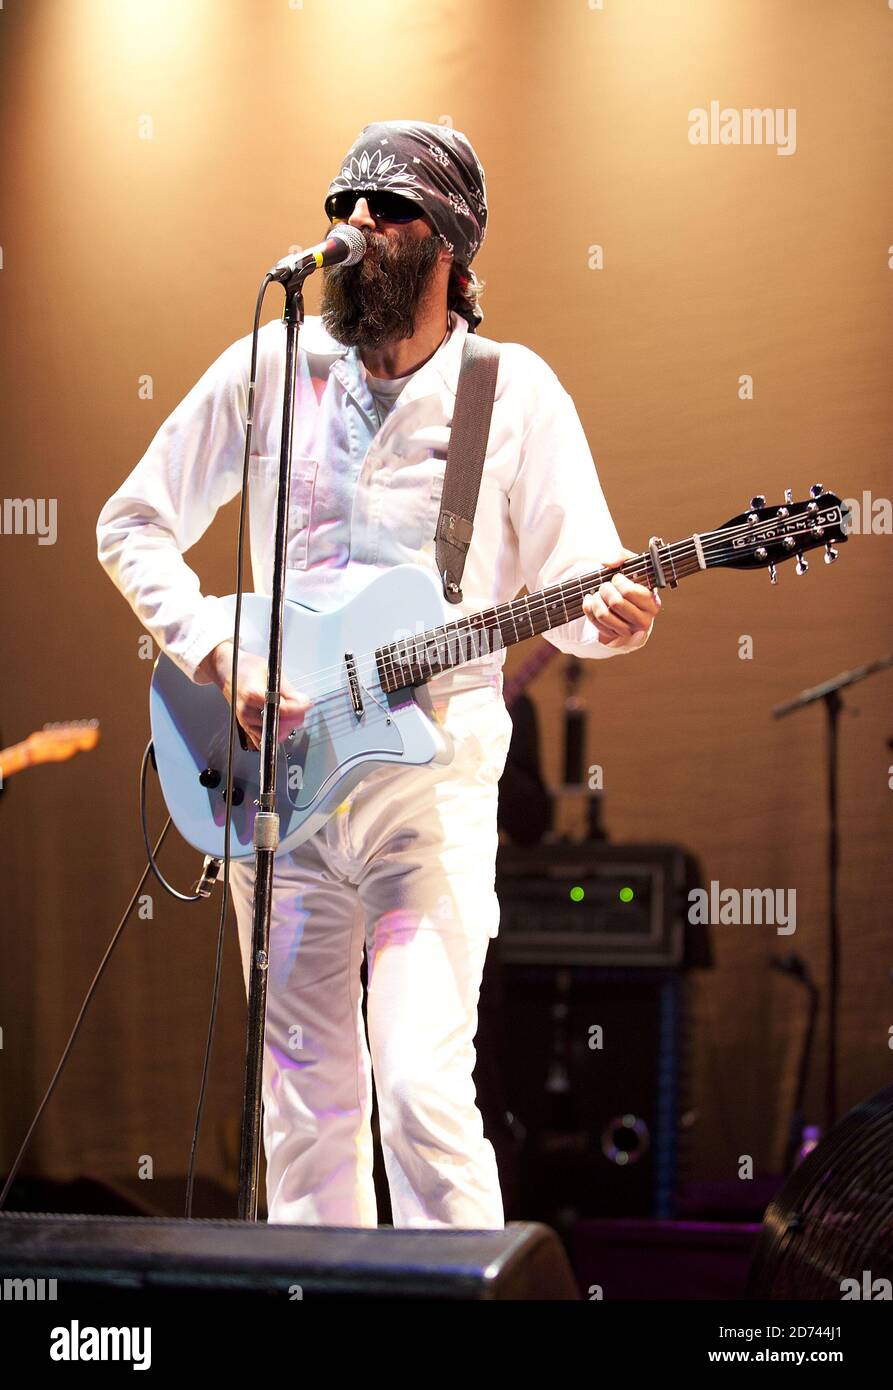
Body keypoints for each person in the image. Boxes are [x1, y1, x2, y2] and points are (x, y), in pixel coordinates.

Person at [96, 119, 660, 1229]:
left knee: (416, 1087)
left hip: (427, 796)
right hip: (282, 790)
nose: (352, 225)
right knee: (303, 1107)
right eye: (343, 202)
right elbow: (133, 523)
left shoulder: (514, 395)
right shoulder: (269, 368)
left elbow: (582, 588)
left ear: (447, 242)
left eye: (386, 208)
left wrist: (616, 617)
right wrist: (219, 650)